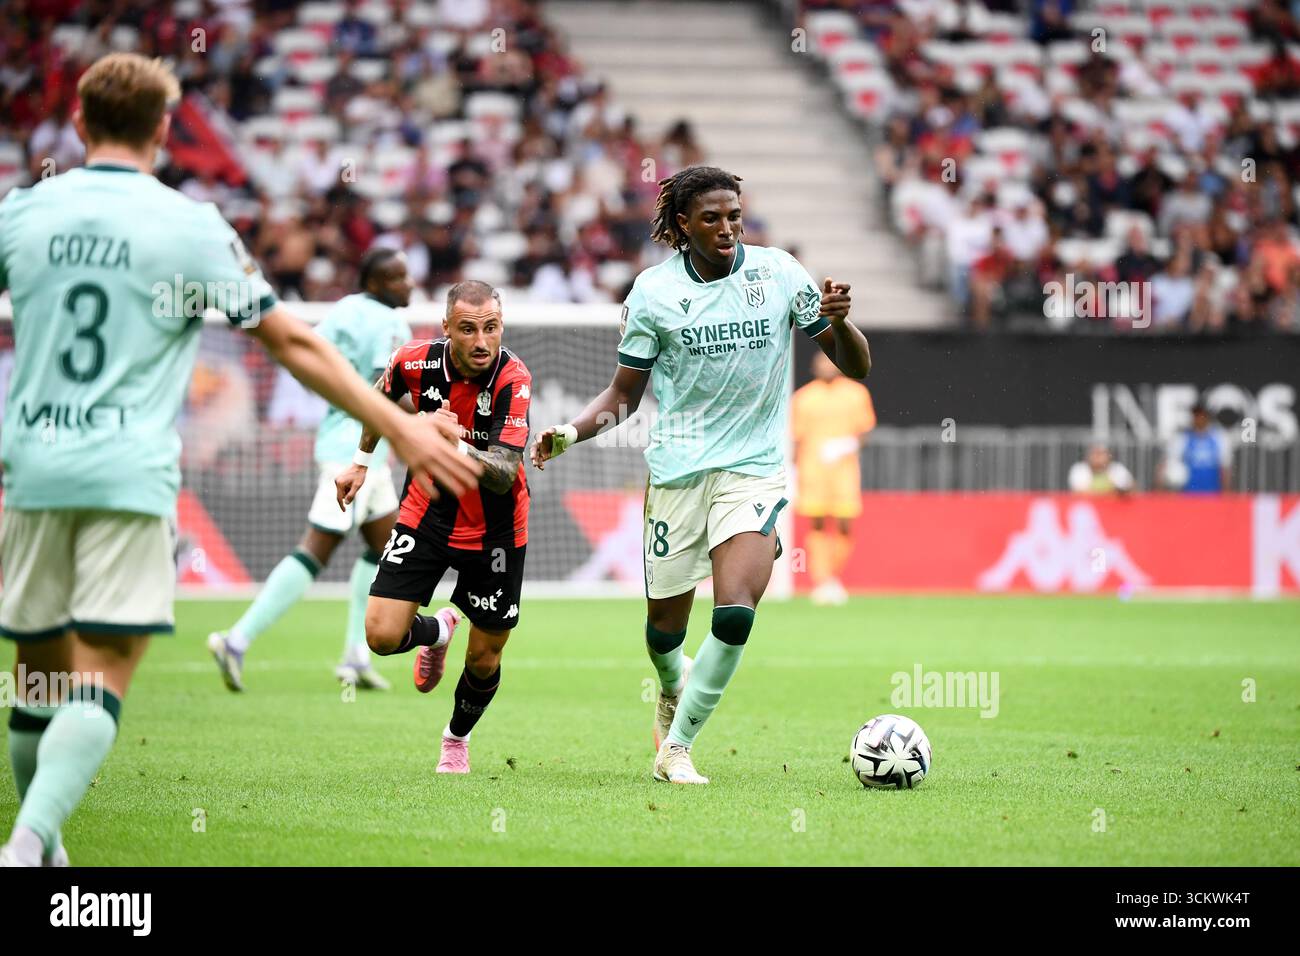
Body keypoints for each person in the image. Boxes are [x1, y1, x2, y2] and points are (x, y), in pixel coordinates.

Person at [0, 53, 479, 867]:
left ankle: (43, 849)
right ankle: (28, 843)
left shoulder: (21, 213)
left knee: (36, 685)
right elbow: (289, 339)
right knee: (104, 675)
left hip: (31, 472)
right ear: (163, 130)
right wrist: (396, 430)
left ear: (77, 124)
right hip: (127, 477)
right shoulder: (191, 227)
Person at [530, 166, 871, 785]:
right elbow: (624, 395)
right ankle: (670, 684)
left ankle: (678, 747)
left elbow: (857, 367)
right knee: (665, 630)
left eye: (734, 216)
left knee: (736, 611)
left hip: (754, 471)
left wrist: (840, 321)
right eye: (711, 218)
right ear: (682, 225)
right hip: (678, 474)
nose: (727, 229)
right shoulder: (653, 294)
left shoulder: (779, 274)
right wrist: (570, 433)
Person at [334, 280, 532, 775]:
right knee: (379, 635)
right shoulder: (414, 361)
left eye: (491, 327)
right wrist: (360, 461)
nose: (482, 341)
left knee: (485, 658)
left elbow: (505, 471)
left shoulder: (514, 378)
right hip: (427, 512)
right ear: (447, 329)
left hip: (497, 530)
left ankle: (456, 738)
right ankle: (437, 631)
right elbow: (381, 397)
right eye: (468, 329)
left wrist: (453, 444)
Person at [207, 249, 417, 692]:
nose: (409, 284)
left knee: (385, 552)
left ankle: (357, 655)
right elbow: (388, 386)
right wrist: (427, 420)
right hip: (354, 455)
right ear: (376, 283)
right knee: (316, 549)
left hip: (353, 446)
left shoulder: (344, 310)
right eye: (398, 277)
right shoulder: (387, 321)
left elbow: (305, 363)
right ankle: (236, 639)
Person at [791, 352, 876, 605]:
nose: (824, 366)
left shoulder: (856, 394)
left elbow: (864, 431)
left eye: (829, 361)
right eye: (820, 362)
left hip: (844, 471)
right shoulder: (803, 397)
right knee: (816, 523)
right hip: (812, 471)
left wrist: (847, 445)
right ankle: (822, 579)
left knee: (844, 523)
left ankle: (833, 575)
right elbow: (797, 438)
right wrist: (793, 471)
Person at [1163, 400, 1231, 493]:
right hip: (1188, 497)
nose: (1198, 419)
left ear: (1207, 417)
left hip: (1213, 495)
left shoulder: (1219, 438)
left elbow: (1224, 469)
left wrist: (1226, 492)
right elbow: (1169, 465)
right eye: (1196, 415)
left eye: (1201, 415)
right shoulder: (1183, 439)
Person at [1067, 443, 1134, 495]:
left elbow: (1131, 487)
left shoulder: (1117, 469)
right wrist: (1110, 493)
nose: (1098, 458)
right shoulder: (1079, 469)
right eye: (1096, 454)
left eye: (1101, 454)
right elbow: (1079, 493)